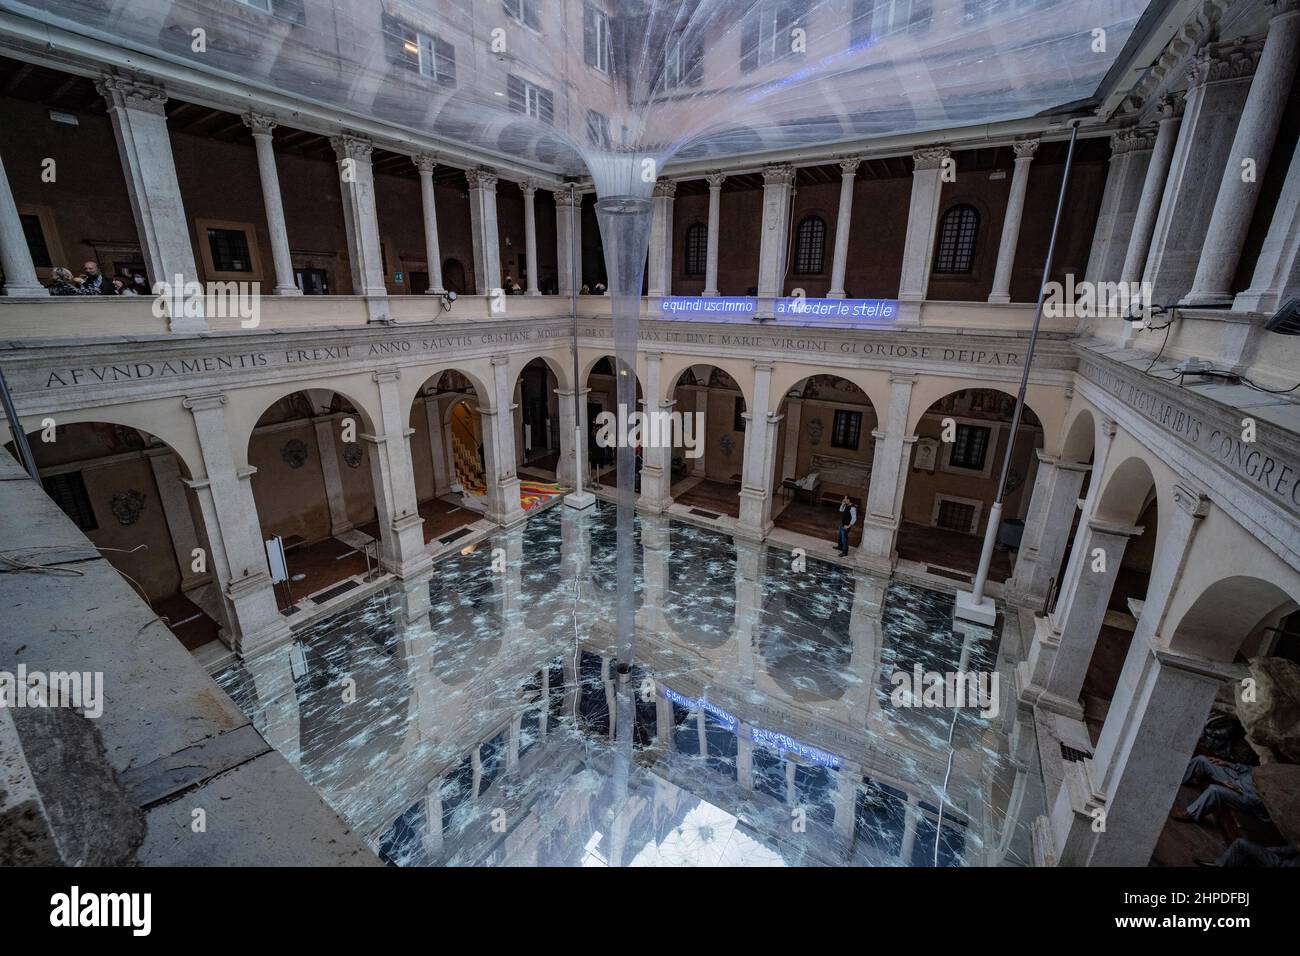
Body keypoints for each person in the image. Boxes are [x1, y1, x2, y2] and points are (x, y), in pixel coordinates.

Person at [1171, 755, 1267, 824]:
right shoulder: (1274, 770)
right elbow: (1250, 769)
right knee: (1202, 759)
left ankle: (1190, 814)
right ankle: (1178, 779)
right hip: (1236, 777)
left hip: (1243, 795)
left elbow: (1260, 804)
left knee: (1214, 790)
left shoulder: (1278, 792)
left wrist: (1238, 789)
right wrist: (1228, 764)